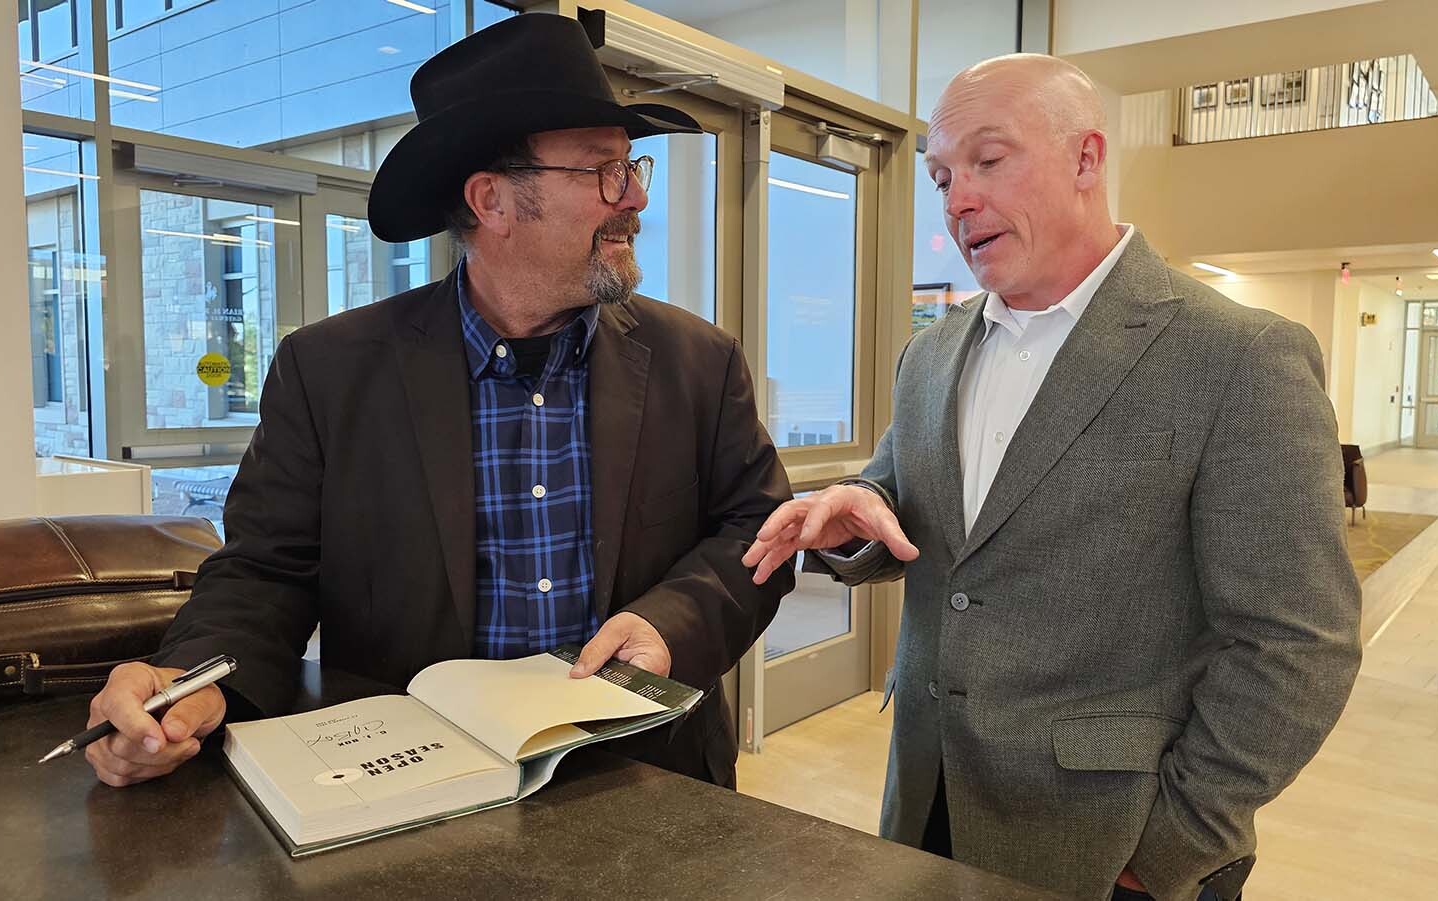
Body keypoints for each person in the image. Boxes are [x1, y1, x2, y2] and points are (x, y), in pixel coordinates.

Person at [84, 14, 793, 792]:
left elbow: (754, 531)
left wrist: (670, 622)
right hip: (416, 785)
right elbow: (265, 570)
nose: (632, 200)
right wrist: (190, 680)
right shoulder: (328, 373)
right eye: (601, 171)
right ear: (491, 200)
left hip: (651, 774)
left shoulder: (698, 361)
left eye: (630, 169)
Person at [742, 54, 1360, 901]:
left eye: (988, 161)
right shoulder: (930, 355)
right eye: (941, 176)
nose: (958, 199)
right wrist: (863, 502)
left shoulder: (1238, 357)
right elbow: (914, 504)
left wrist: (1173, 846)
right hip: (927, 800)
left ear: (1086, 159)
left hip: (1112, 843)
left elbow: (1298, 643)